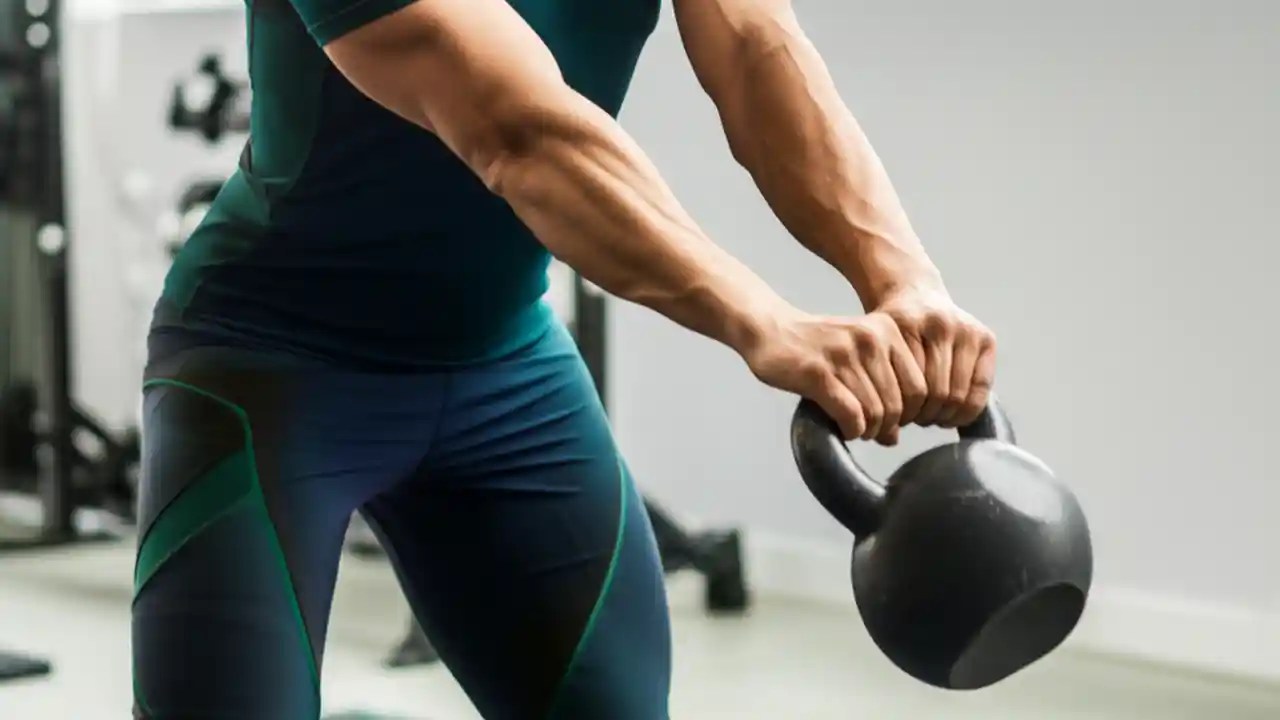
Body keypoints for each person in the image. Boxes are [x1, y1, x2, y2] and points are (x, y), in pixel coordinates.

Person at [131, 0, 996, 717]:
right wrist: (763, 320)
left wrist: (904, 279)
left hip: (504, 379)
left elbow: (754, 46)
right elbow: (516, 131)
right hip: (266, 376)